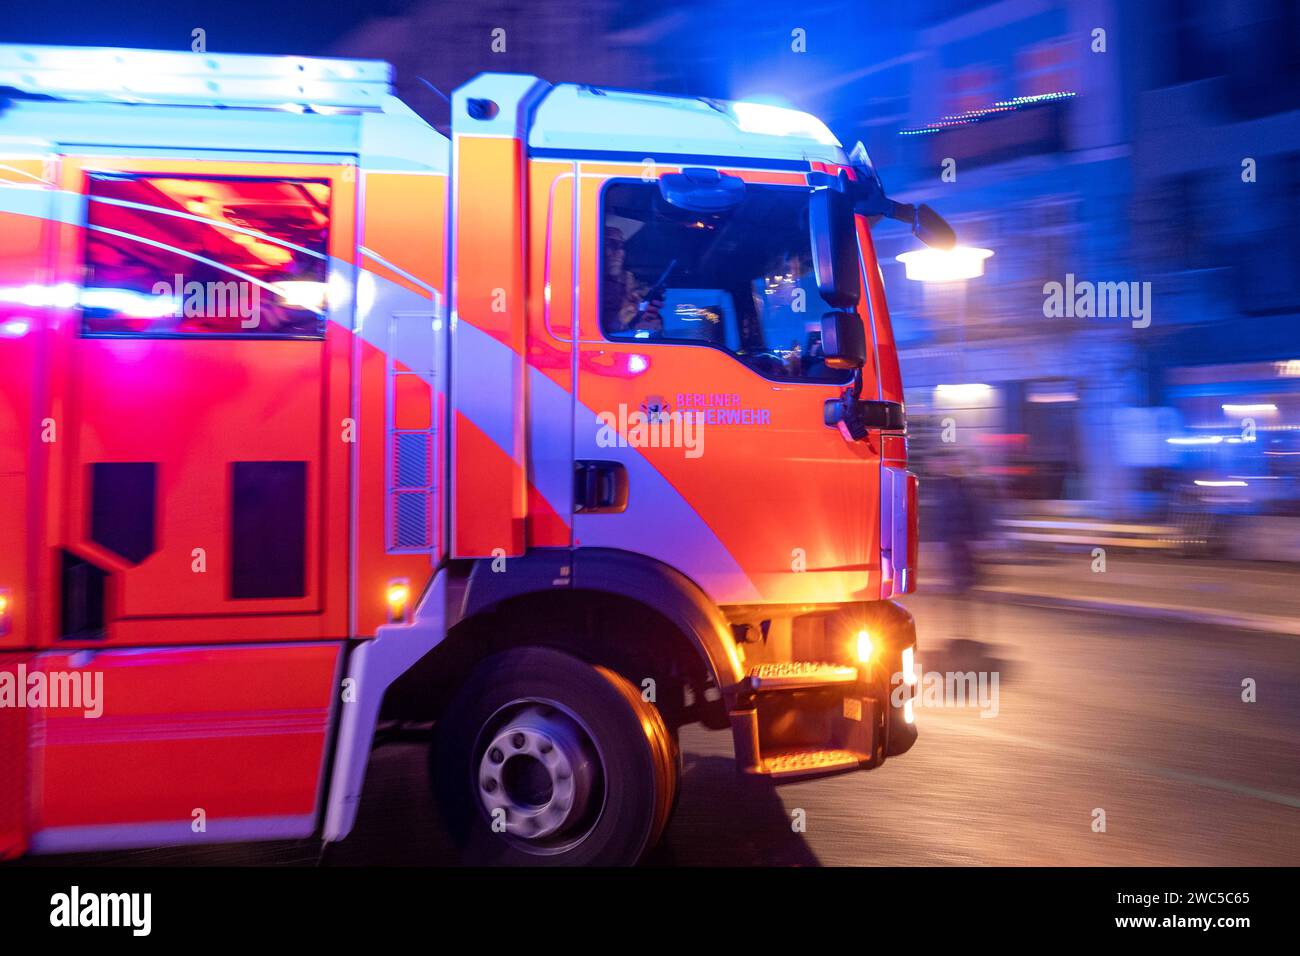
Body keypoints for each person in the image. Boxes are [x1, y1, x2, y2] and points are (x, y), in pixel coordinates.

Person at [601, 225, 663, 334]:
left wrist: (651, 317)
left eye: (622, 245)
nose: (620, 252)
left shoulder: (634, 286)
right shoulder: (584, 289)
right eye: (611, 244)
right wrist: (620, 322)